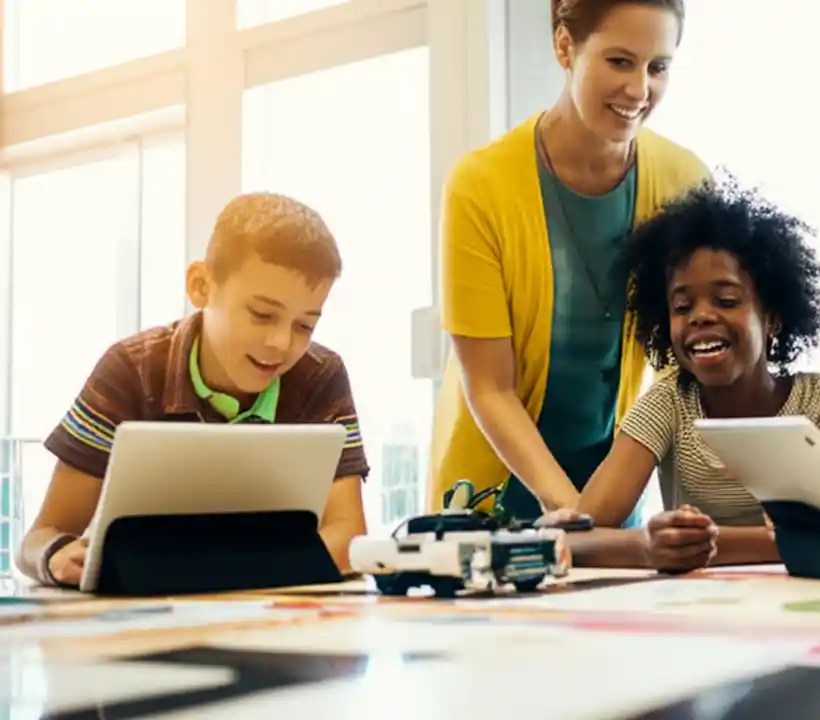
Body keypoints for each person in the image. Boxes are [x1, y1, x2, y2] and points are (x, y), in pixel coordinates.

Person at [430, 0, 707, 524]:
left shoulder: (685, 181)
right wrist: (574, 512)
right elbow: (489, 386)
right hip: (490, 492)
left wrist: (605, 510)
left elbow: (685, 366)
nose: (639, 89)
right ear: (564, 46)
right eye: (619, 61)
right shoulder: (479, 185)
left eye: (658, 66)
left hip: (612, 485)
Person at [18, 193, 369, 588]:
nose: (280, 343)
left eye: (304, 325)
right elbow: (39, 538)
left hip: (264, 614)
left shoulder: (321, 376)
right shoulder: (131, 369)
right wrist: (55, 555)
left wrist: (216, 575)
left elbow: (348, 534)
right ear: (200, 286)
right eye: (262, 314)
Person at [551, 177, 820, 573]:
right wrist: (648, 547)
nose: (700, 315)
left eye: (727, 300)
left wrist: (710, 546)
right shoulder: (668, 403)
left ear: (773, 319)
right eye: (681, 307)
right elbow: (579, 535)